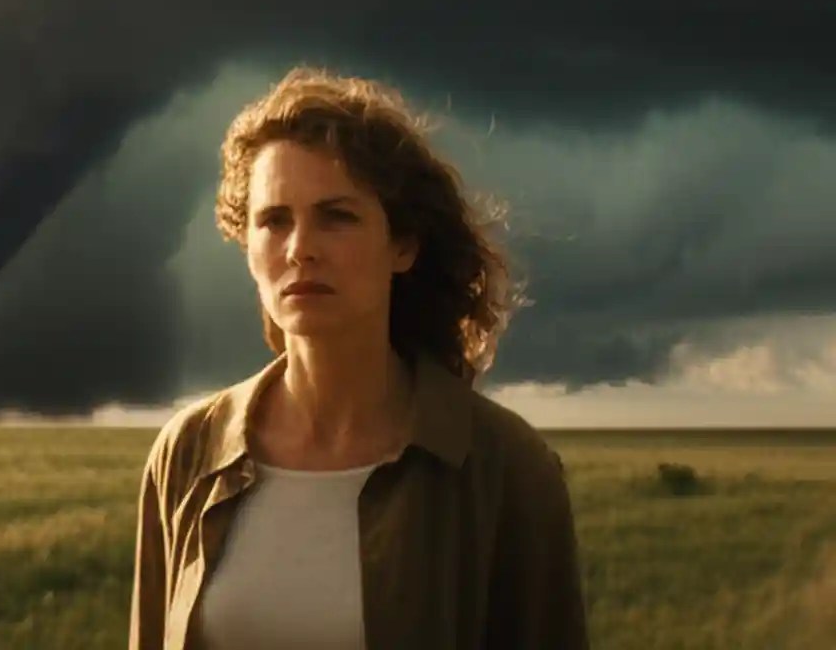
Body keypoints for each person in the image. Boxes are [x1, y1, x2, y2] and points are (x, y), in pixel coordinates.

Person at [129, 66, 589, 649]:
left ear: (403, 244)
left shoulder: (503, 467)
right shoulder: (189, 453)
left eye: (336, 216)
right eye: (274, 221)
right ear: (246, 245)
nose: (300, 249)